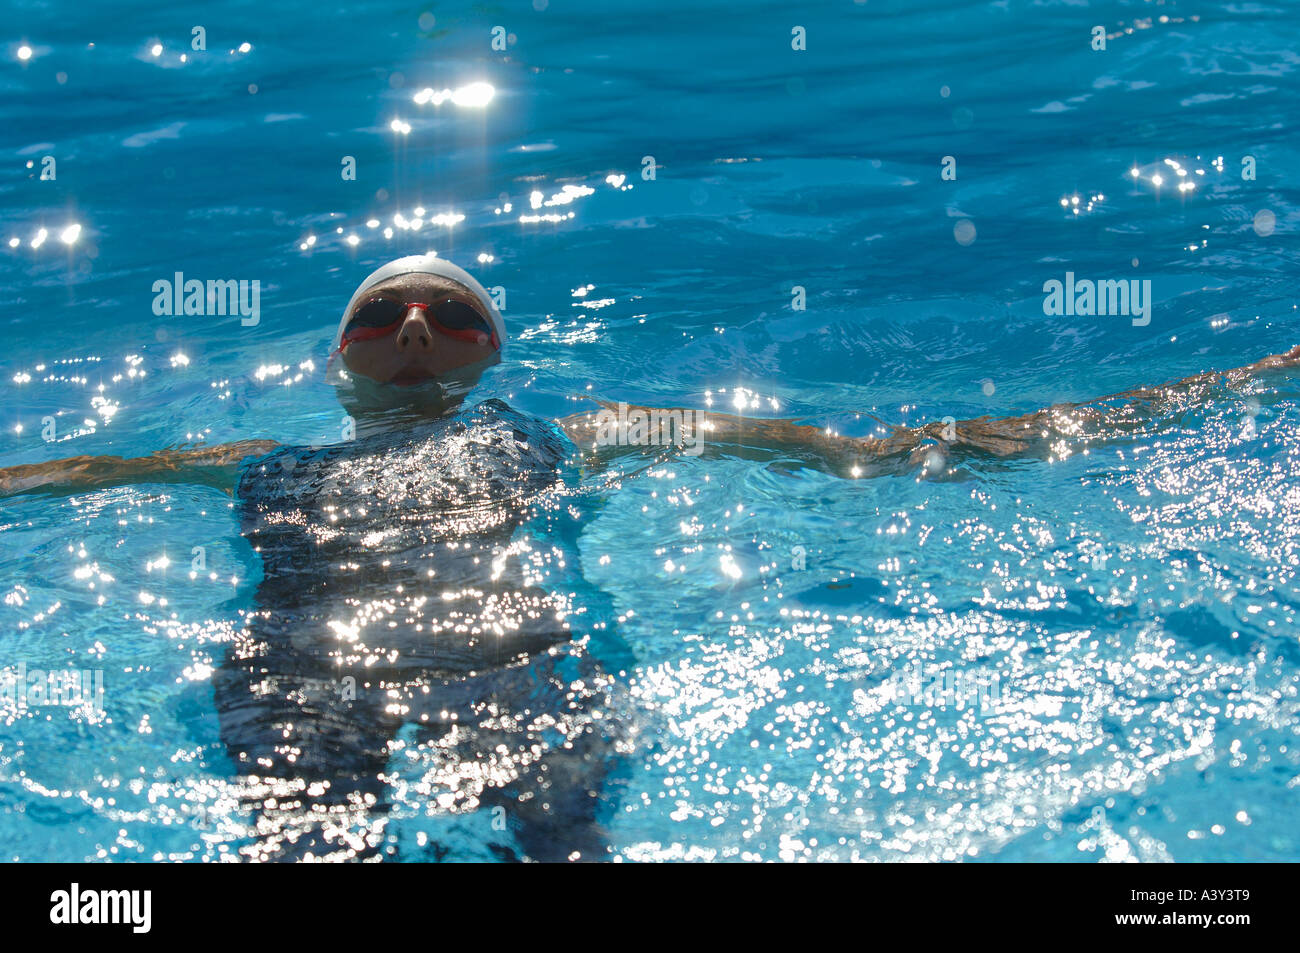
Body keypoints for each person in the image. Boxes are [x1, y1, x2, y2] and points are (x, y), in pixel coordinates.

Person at [1, 254, 1296, 860]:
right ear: (340, 358)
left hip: (504, 658)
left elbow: (857, 448)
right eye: (380, 313)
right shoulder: (239, 453)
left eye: (449, 314)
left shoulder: (590, 432)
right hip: (298, 666)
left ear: (490, 358)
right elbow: (43, 484)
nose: (411, 321)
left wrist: (1172, 404)